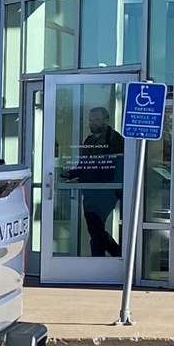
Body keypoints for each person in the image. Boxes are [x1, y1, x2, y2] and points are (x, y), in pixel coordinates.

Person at [63, 106, 124, 257]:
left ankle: (119, 255)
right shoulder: (89, 140)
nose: (93, 123)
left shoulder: (115, 139)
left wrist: (119, 188)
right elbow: (85, 165)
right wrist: (70, 174)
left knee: (95, 228)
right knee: (94, 231)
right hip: (89, 191)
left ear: (106, 120)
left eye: (96, 119)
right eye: (91, 120)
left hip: (106, 191)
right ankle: (101, 263)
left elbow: (120, 166)